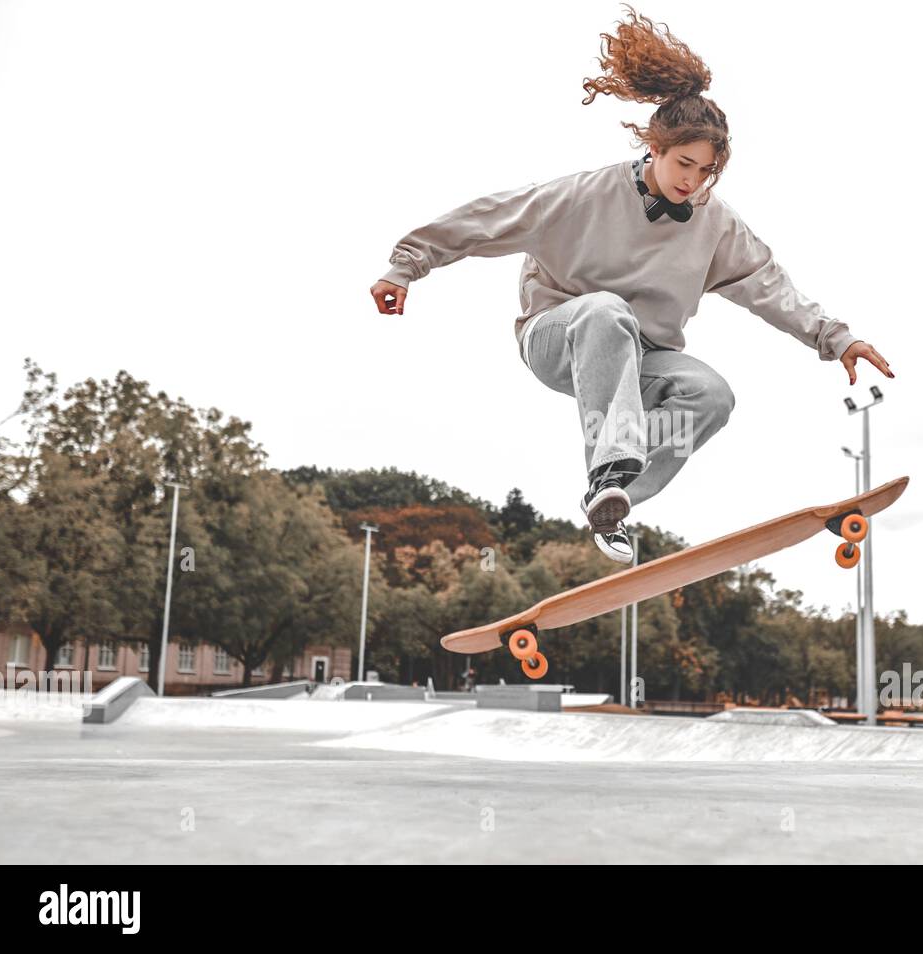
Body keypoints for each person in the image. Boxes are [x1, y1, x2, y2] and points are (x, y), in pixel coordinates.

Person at [371, 5, 893, 564]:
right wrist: (407, 264)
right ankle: (612, 461)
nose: (691, 182)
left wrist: (835, 337)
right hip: (558, 337)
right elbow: (489, 219)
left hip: (641, 356)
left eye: (705, 172)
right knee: (604, 310)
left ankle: (612, 500)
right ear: (655, 147)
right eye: (683, 165)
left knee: (712, 395)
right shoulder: (582, 197)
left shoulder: (715, 222)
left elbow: (768, 284)